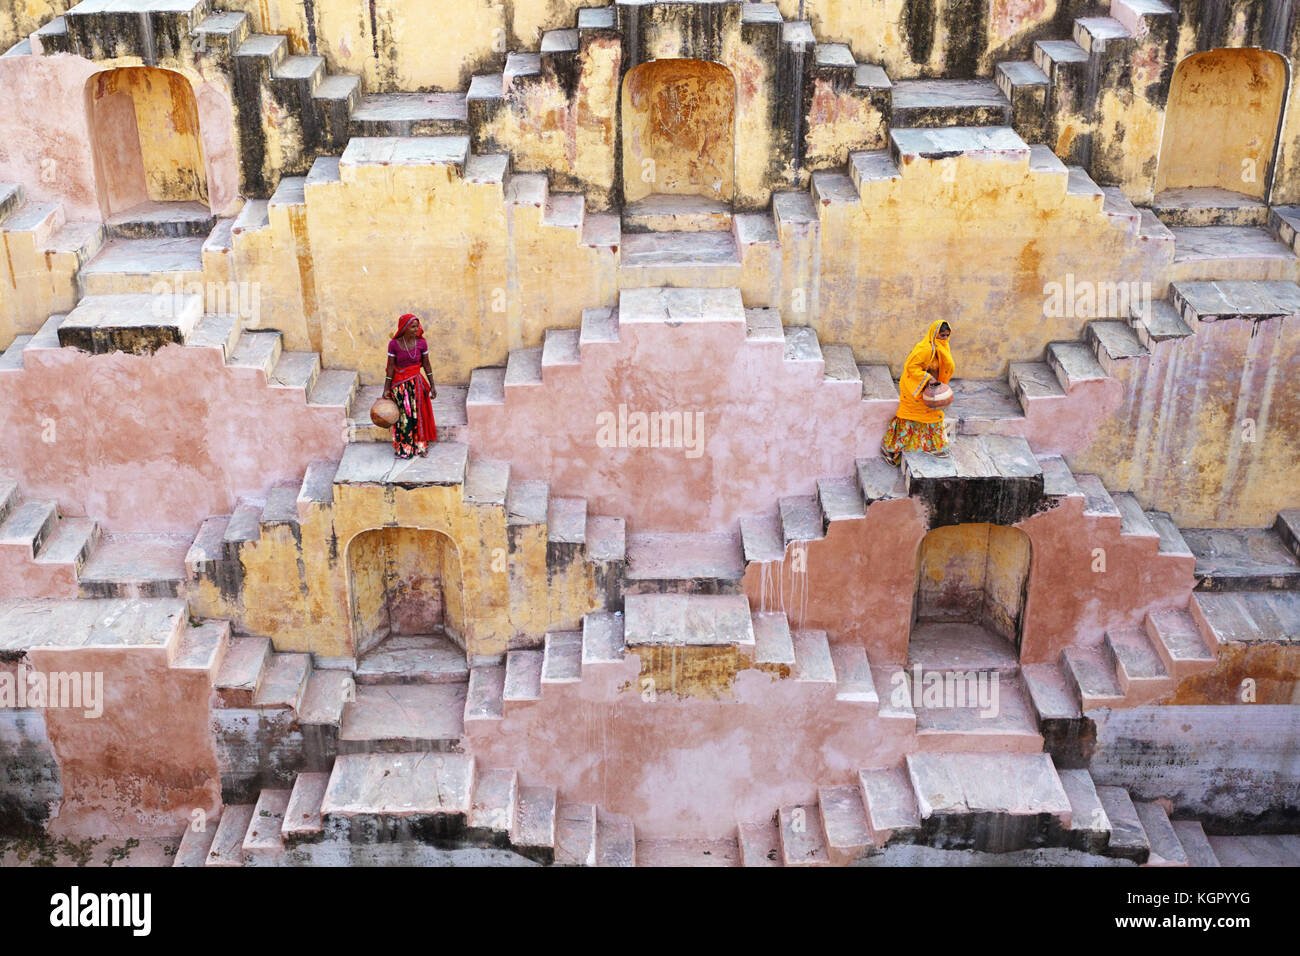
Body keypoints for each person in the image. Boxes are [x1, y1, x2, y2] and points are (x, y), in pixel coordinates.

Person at [880, 319, 953, 466]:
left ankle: (932, 445)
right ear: (934, 335)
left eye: (946, 335)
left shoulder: (942, 348)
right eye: (941, 336)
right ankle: (889, 450)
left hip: (930, 390)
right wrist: (928, 378)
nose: (944, 339)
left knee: (934, 415)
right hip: (916, 389)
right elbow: (911, 367)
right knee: (909, 418)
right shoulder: (925, 349)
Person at [383, 313, 437, 459]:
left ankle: (421, 446)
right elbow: (390, 367)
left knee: (419, 415)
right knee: (404, 417)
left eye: (417, 326)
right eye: (413, 326)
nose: (416, 329)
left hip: (417, 385)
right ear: (404, 328)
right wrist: (386, 388)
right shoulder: (394, 344)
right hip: (399, 386)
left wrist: (432, 385)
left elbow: (426, 364)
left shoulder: (422, 343)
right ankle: (405, 448)